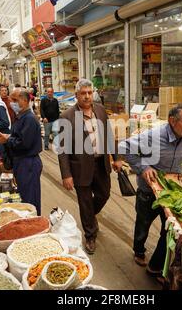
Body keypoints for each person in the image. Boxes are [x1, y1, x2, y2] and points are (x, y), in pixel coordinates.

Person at [118, 103, 182, 283]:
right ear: (172, 121)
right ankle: (139, 251)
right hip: (149, 190)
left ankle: (155, 266)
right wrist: (144, 167)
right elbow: (124, 148)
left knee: (170, 230)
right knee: (143, 223)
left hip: (171, 192)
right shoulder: (153, 136)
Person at [57, 78, 122, 254]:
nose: (87, 96)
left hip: (101, 164)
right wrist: (66, 174)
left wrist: (116, 158)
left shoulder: (100, 111)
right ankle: (90, 235)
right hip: (79, 168)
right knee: (85, 203)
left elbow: (109, 135)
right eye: (83, 93)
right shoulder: (67, 117)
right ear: (77, 95)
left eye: (89, 92)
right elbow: (62, 150)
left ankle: (90, 218)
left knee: (104, 194)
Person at [0, 91, 43, 215]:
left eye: (15, 100)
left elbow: (24, 144)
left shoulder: (29, 119)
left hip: (28, 163)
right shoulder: (20, 117)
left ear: (25, 101)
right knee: (24, 195)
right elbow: (18, 136)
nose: (12, 103)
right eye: (12, 100)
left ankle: (33, 224)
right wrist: (8, 137)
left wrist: (8, 139)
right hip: (21, 162)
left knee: (30, 199)